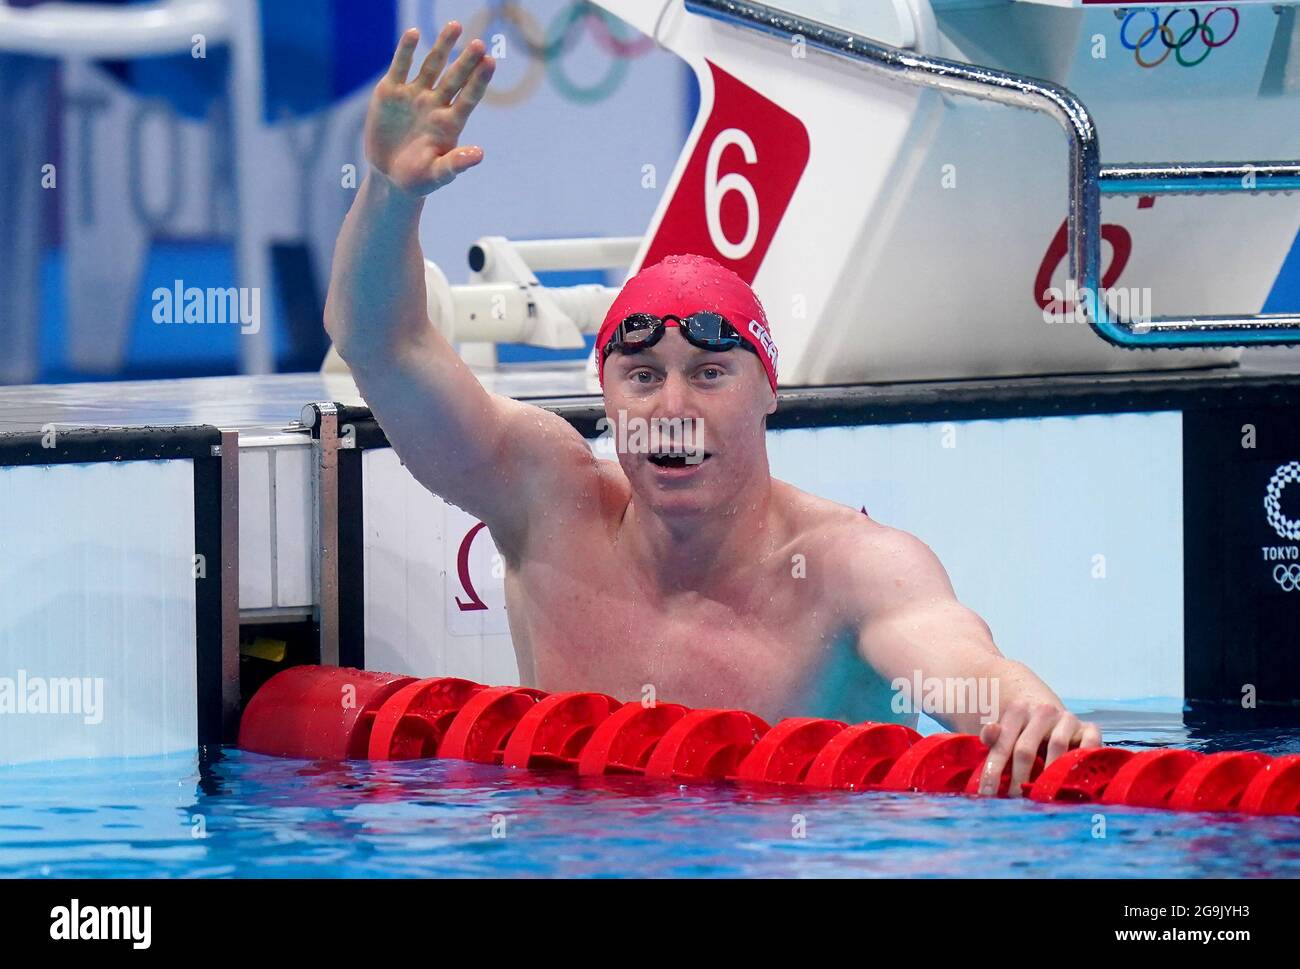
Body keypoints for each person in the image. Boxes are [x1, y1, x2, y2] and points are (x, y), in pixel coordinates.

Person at [324, 21, 1103, 796]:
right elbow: (381, 344)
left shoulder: (850, 569)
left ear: (769, 390)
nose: (672, 405)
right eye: (641, 375)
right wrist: (389, 192)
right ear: (608, 396)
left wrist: (1023, 707)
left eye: (708, 373)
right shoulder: (546, 502)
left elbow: (966, 670)